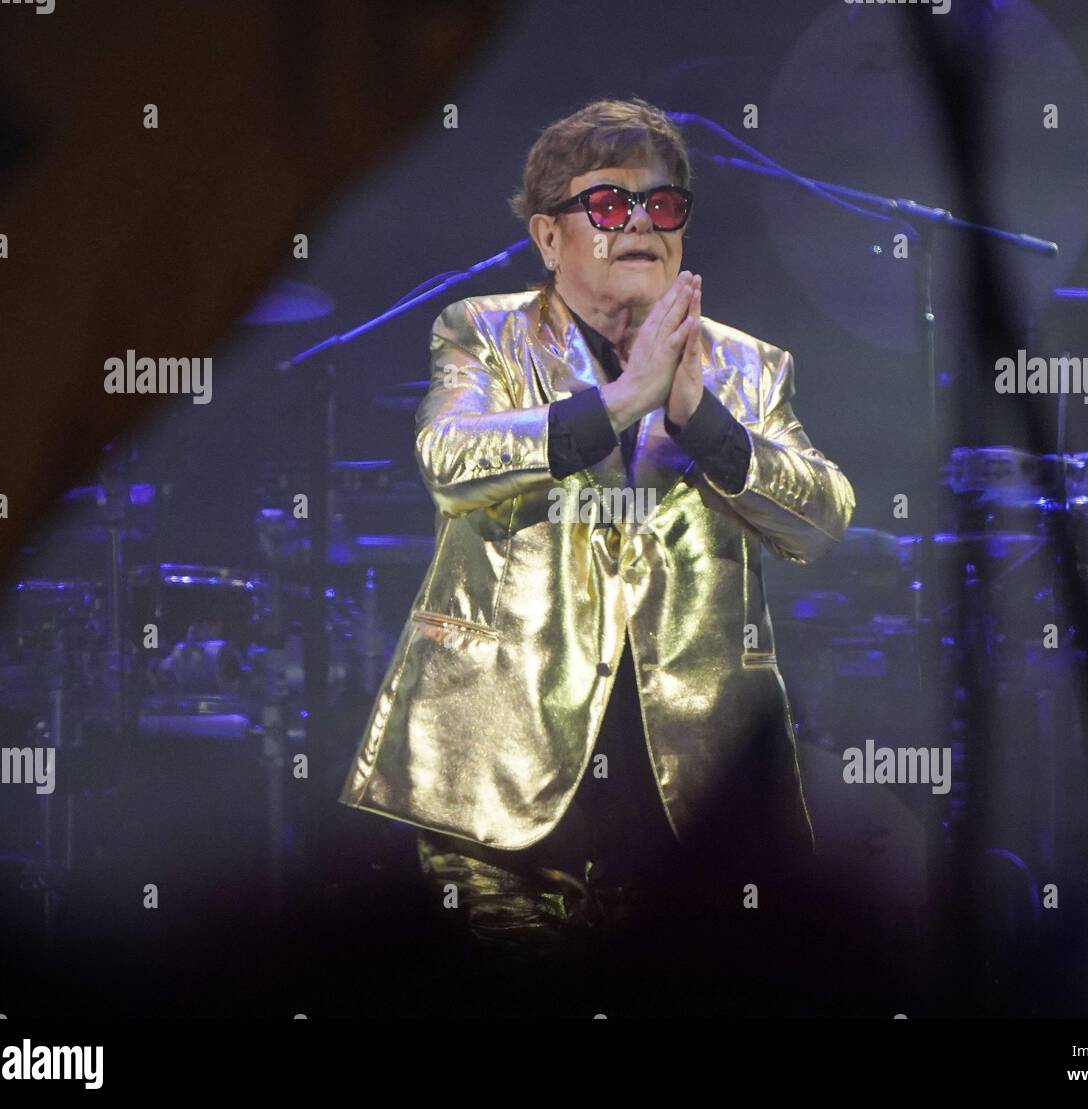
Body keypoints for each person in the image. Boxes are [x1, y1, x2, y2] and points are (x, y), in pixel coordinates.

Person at [338, 98, 856, 985]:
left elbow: (821, 515)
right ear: (549, 237)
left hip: (692, 810)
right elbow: (450, 459)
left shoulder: (747, 367)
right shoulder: (483, 334)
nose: (641, 224)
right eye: (609, 206)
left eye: (663, 206)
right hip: (500, 791)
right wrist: (619, 403)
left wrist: (700, 419)